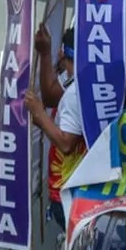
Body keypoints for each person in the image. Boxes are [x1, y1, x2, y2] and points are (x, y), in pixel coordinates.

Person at [32, 24, 80, 230]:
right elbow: (52, 96)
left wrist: (40, 116)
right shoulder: (81, 81)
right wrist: (44, 54)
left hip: (70, 189)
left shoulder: (75, 93)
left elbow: (66, 144)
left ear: (64, 55)